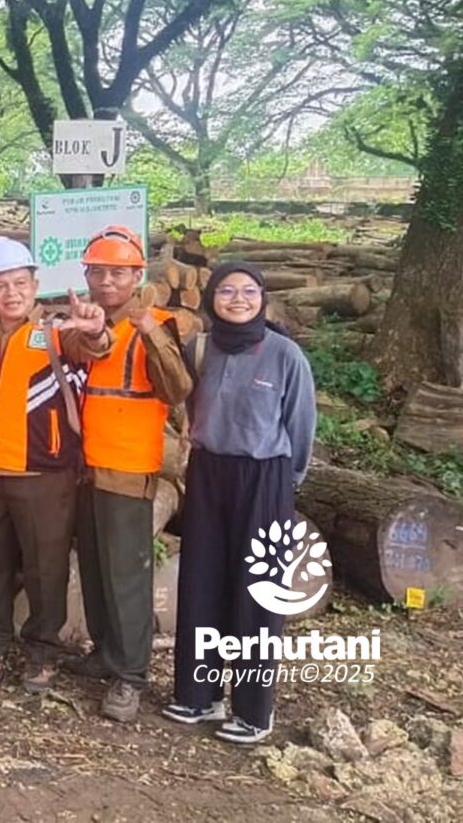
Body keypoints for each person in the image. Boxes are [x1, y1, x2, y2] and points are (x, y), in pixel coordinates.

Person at [167, 263, 316, 745]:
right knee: (202, 581)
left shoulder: (284, 354)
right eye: (226, 291)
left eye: (248, 291)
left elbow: (300, 429)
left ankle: (253, 710)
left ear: (263, 297)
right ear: (210, 299)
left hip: (265, 478)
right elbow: (192, 408)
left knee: (258, 594)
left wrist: (282, 484)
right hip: (210, 472)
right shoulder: (201, 349)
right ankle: (198, 695)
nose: (237, 299)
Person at [64, 225, 193, 723]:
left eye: (117, 272)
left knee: (126, 577)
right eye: (98, 271)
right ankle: (104, 652)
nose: (106, 281)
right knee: (96, 569)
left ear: (138, 275)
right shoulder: (85, 322)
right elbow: (86, 353)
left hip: (130, 466)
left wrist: (146, 329)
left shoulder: (159, 323)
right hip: (87, 466)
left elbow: (176, 389)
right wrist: (93, 329)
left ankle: (131, 675)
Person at [0, 238, 101, 693]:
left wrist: (96, 330)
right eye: (0, 286)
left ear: (36, 285)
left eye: (20, 283)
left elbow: (92, 347)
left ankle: (41, 652)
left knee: (46, 568)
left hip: (45, 474)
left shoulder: (56, 334)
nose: (11, 293)